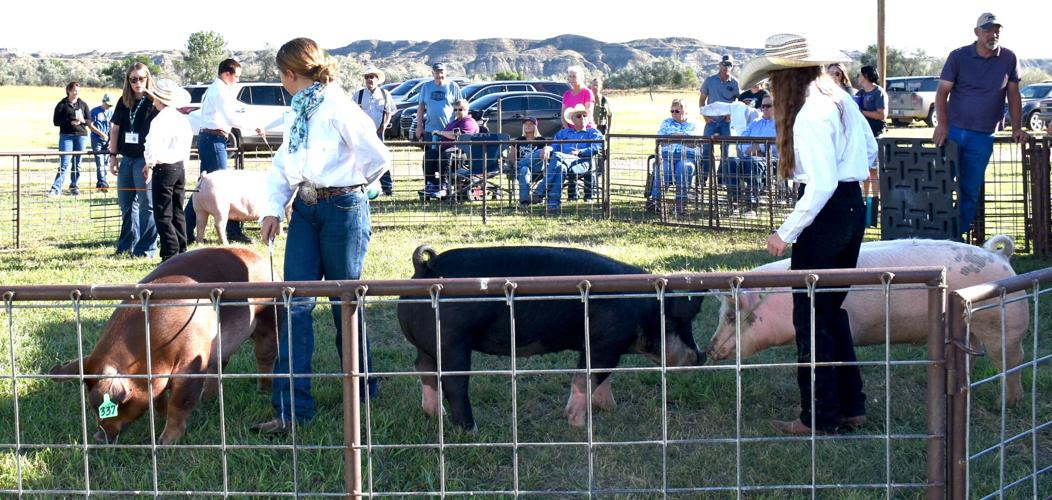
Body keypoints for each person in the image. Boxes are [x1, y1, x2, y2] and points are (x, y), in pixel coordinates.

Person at [252, 38, 392, 434]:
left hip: (342, 209)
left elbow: (378, 159)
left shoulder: (338, 107)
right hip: (306, 210)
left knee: (343, 302)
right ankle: (291, 410)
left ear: (291, 73)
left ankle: (362, 388)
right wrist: (272, 209)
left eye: (281, 74)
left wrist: (354, 191)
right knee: (295, 303)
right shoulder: (298, 112)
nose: (281, 81)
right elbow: (284, 165)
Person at [740, 33, 876, 435]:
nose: (770, 89)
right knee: (830, 311)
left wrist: (786, 232)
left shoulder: (810, 112)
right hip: (851, 209)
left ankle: (819, 417)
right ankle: (850, 406)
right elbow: (869, 153)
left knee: (811, 316)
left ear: (787, 78)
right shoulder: (841, 100)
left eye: (773, 81)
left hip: (826, 213)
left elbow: (820, 184)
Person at [933, 12, 1027, 236]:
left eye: (996, 30)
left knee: (970, 190)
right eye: (987, 30)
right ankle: (934, 235)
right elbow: (941, 93)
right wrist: (942, 126)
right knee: (940, 185)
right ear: (977, 32)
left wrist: (1017, 128)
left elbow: (1013, 96)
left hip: (983, 136)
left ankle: (955, 237)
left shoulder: (1009, 58)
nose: (992, 34)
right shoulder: (958, 56)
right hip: (953, 132)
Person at [185, 58, 262, 245]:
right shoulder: (219, 90)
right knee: (221, 187)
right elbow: (230, 117)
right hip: (214, 139)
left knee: (203, 186)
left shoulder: (219, 90)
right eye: (236, 76)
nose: (237, 80)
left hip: (213, 139)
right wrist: (254, 127)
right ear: (226, 74)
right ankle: (230, 230)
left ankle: (186, 229)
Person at [109, 63, 159, 257]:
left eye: (141, 78)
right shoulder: (124, 101)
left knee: (147, 205)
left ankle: (146, 249)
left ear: (148, 79)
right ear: (128, 81)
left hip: (144, 159)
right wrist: (113, 157)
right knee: (127, 205)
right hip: (127, 158)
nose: (138, 83)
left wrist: (152, 162)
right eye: (133, 79)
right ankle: (126, 247)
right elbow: (115, 129)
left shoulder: (154, 102)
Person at [141, 79, 192, 262]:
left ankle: (170, 253)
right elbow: (187, 145)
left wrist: (149, 163)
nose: (153, 101)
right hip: (179, 167)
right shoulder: (181, 118)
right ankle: (182, 250)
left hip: (164, 168)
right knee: (178, 210)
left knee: (163, 213)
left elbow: (151, 145)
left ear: (159, 99)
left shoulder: (160, 119)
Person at [535, 104, 603, 212]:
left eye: (584, 115)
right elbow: (555, 146)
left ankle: (540, 191)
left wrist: (581, 152)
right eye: (579, 116)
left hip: (581, 163)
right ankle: (553, 205)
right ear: (572, 119)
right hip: (563, 163)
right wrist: (548, 148)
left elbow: (598, 146)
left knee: (557, 157)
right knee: (560, 167)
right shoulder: (563, 133)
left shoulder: (593, 132)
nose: (583, 118)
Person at [721, 95, 777, 215]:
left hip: (770, 160)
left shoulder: (781, 124)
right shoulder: (755, 123)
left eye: (768, 106)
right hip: (749, 157)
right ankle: (733, 204)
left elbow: (781, 145)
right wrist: (750, 149)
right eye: (763, 106)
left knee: (753, 162)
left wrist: (760, 148)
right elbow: (742, 141)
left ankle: (751, 206)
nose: (764, 108)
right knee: (731, 161)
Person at [415, 63, 462, 197]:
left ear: (445, 72)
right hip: (431, 131)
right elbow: (421, 107)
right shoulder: (426, 87)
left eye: (441, 72)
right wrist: (419, 126)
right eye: (437, 72)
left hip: (449, 131)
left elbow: (460, 107)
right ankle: (431, 185)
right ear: (433, 73)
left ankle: (445, 185)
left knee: (446, 159)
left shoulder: (453, 86)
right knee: (430, 159)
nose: (439, 74)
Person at [648, 99, 701, 216]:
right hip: (666, 156)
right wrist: (682, 138)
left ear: (685, 111)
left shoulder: (694, 124)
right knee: (662, 168)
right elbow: (661, 140)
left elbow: (695, 142)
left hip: (687, 156)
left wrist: (672, 138)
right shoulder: (666, 122)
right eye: (672, 111)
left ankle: (680, 203)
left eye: (677, 111)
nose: (673, 114)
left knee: (684, 167)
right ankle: (656, 201)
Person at [354, 66, 397, 195]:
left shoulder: (385, 94)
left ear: (377, 79)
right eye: (367, 77)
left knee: (382, 158)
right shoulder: (358, 95)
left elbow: (389, 112)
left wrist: (384, 125)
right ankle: (362, 187)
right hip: (362, 134)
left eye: (371, 77)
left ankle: (387, 187)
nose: (369, 80)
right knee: (362, 159)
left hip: (378, 133)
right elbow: (351, 112)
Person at [856, 65, 888, 223]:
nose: (858, 77)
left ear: (866, 76)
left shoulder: (878, 92)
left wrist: (862, 113)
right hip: (863, 138)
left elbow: (882, 114)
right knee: (865, 173)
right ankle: (865, 210)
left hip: (876, 137)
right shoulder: (860, 93)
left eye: (859, 74)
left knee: (874, 173)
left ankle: (874, 209)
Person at [699, 55, 741, 173]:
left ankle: (722, 179)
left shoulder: (735, 83)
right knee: (706, 148)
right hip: (711, 121)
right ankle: (704, 178)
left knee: (725, 151)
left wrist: (732, 115)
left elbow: (740, 102)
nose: (726, 67)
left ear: (732, 67)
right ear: (719, 65)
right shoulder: (710, 80)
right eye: (724, 64)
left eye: (729, 65)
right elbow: (702, 100)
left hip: (726, 122)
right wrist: (705, 116)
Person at [49, 81, 92, 196]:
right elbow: (56, 121)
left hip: (81, 136)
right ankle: (56, 188)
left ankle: (74, 186)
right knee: (64, 162)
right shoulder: (61, 104)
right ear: (68, 91)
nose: (76, 92)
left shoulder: (83, 104)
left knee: (77, 164)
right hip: (66, 136)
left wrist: (82, 121)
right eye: (74, 90)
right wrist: (70, 122)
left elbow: (89, 121)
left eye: (78, 90)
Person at [431, 99, 479, 194]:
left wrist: (440, 132)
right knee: (429, 154)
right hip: (445, 149)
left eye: (460, 109)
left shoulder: (469, 122)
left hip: (463, 152)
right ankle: (431, 183)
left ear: (466, 110)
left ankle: (444, 185)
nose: (457, 112)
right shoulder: (453, 122)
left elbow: (457, 136)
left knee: (447, 154)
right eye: (455, 110)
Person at [88, 94, 114, 192]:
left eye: (110, 105)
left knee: (106, 162)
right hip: (97, 139)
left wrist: (111, 139)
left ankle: (102, 182)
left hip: (108, 141)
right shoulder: (94, 111)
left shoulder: (111, 113)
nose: (108, 107)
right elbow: (90, 125)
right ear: (103, 101)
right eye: (107, 104)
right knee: (100, 161)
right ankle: (102, 182)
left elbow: (112, 126)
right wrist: (101, 134)